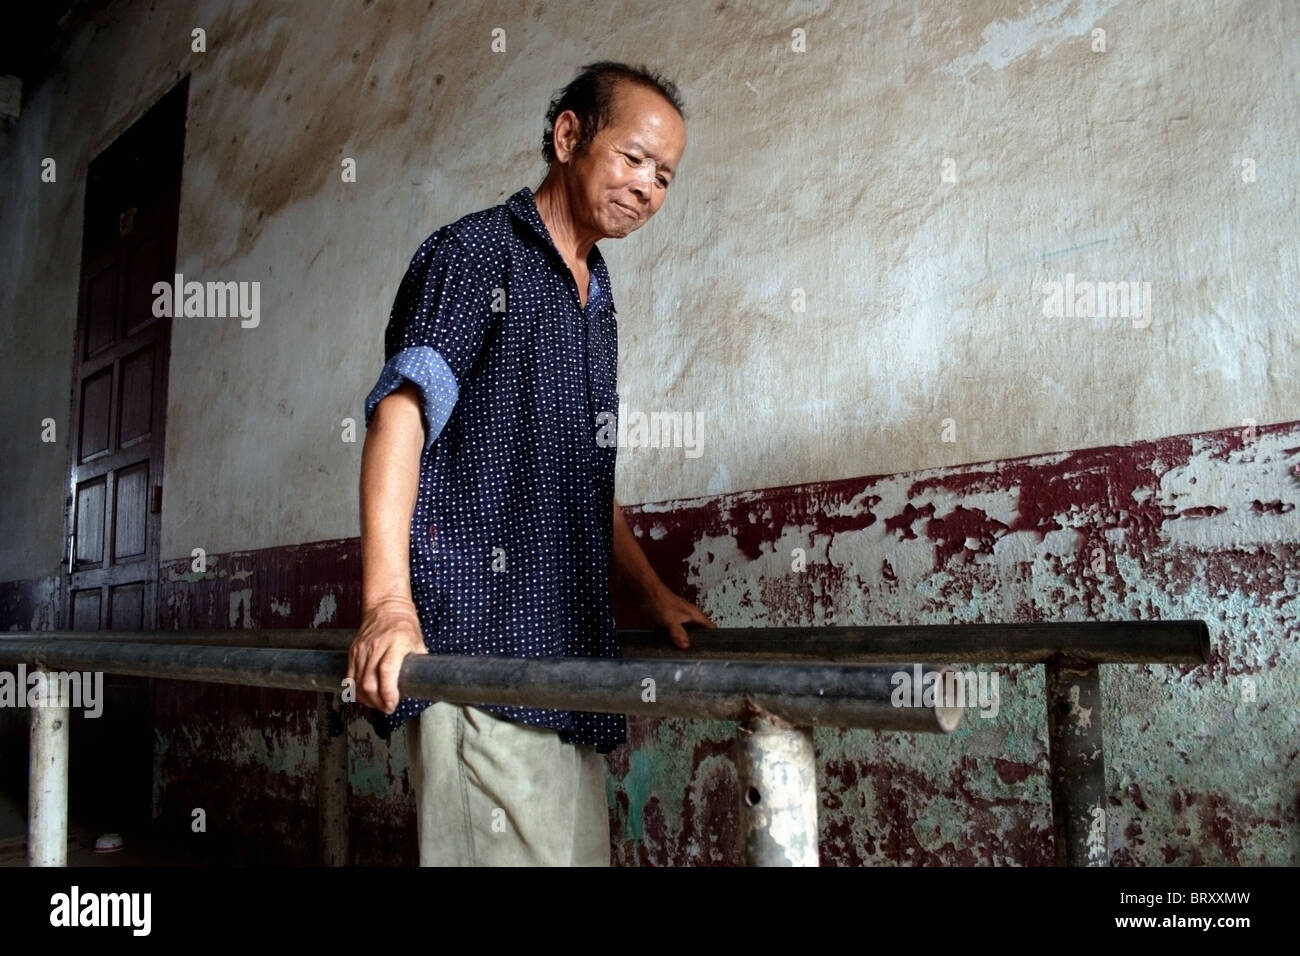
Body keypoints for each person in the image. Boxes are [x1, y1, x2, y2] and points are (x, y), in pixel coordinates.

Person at [347, 61, 713, 866]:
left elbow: (581, 475)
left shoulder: (596, 293)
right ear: (569, 136)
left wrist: (651, 593)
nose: (648, 187)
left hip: (572, 670)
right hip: (480, 653)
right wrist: (385, 606)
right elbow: (399, 413)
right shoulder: (476, 255)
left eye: (665, 176)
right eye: (632, 158)